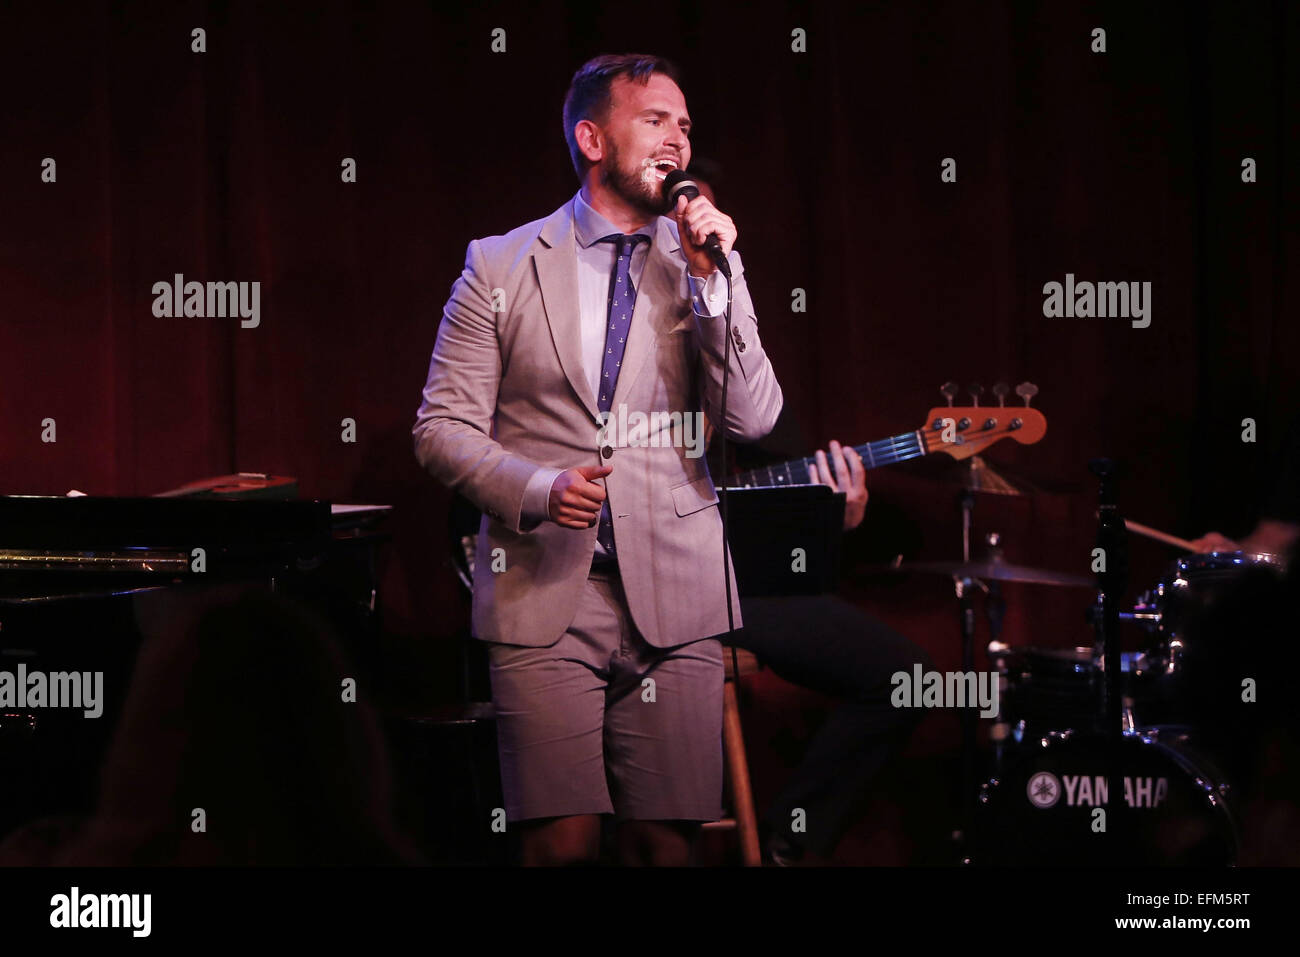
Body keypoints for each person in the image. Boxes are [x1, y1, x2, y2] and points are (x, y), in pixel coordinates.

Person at [412, 54, 783, 865]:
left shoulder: (703, 262)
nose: (677, 138)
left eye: (685, 125)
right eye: (654, 119)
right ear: (591, 138)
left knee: (667, 844)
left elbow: (753, 417)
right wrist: (539, 488)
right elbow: (441, 427)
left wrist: (713, 281)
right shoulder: (501, 264)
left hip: (678, 592)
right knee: (560, 843)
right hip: (545, 588)